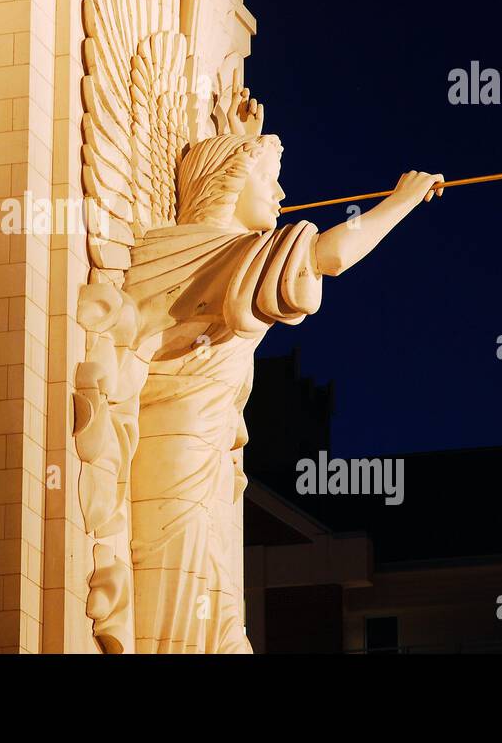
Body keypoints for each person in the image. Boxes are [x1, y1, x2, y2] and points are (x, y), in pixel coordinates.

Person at [123, 133, 443, 652]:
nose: (280, 191)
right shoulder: (212, 255)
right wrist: (401, 201)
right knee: (178, 602)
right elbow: (330, 256)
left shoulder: (208, 256)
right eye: (269, 177)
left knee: (208, 610)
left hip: (203, 457)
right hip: (180, 449)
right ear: (229, 181)